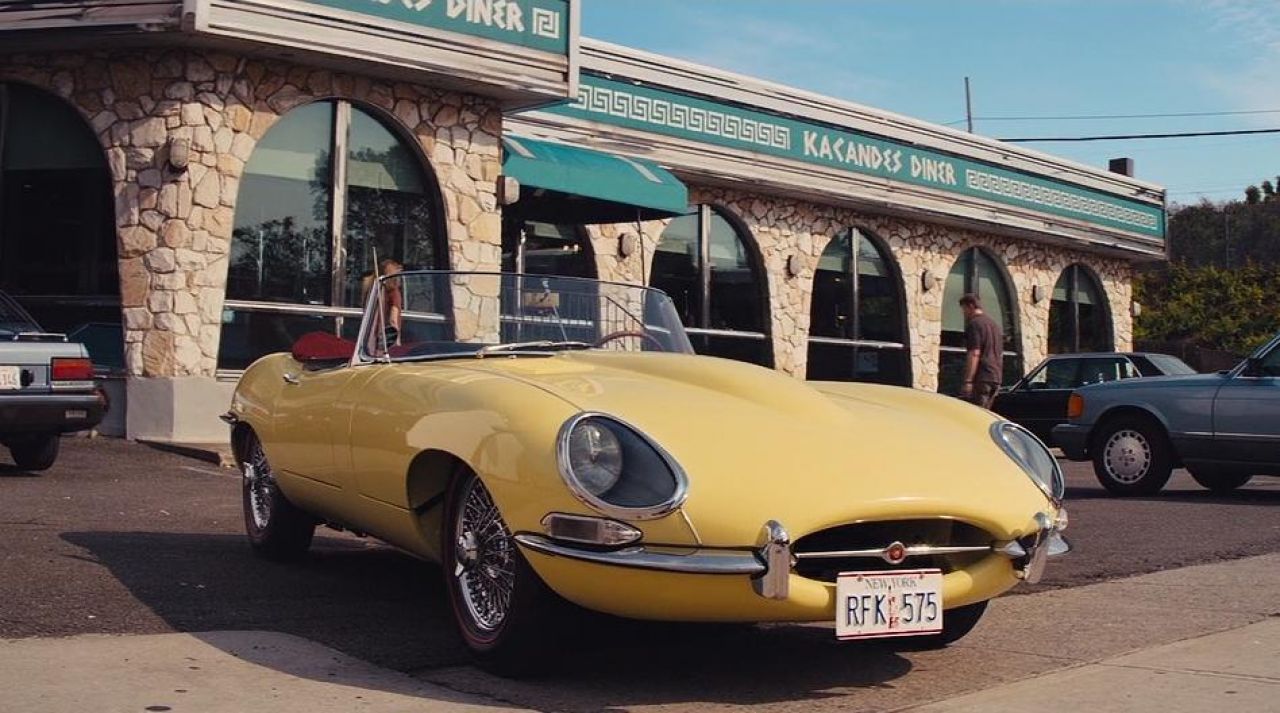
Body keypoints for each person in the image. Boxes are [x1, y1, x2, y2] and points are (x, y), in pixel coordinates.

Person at [958, 293, 1003, 409]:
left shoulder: (974, 324)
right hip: (995, 377)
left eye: (964, 309)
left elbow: (974, 353)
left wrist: (968, 381)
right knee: (985, 414)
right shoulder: (994, 325)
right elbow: (999, 353)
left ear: (971, 306)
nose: (963, 313)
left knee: (974, 413)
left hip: (981, 377)